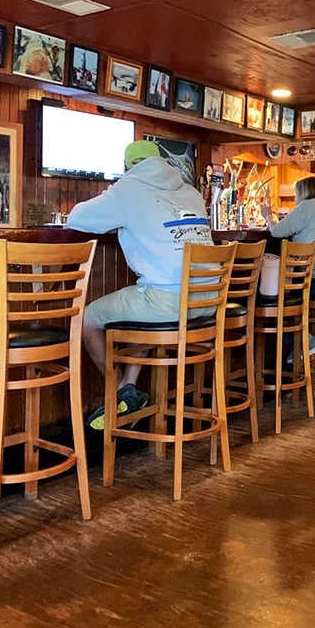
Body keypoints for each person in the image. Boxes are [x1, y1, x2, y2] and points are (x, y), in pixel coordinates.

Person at [67, 140, 212, 429]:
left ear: (129, 167)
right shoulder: (192, 192)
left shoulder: (128, 189)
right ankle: (129, 386)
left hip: (168, 301)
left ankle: (118, 392)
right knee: (140, 311)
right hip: (207, 300)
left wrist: (116, 195)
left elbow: (77, 217)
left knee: (86, 319)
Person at [261, 176, 315, 357]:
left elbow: (277, 231)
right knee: (285, 293)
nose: (295, 197)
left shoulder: (306, 207)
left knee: (277, 296)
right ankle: (308, 345)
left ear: (302, 193)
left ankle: (302, 342)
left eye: (296, 193)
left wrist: (267, 216)